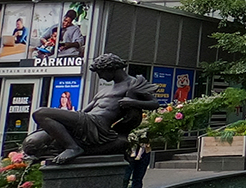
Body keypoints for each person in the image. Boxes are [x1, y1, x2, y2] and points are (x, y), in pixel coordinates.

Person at [21, 53, 158, 164]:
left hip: (97, 125)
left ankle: (73, 148)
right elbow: (83, 112)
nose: (100, 76)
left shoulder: (133, 84)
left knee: (40, 113)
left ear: (111, 69)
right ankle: (64, 147)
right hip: (86, 121)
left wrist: (132, 102)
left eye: (101, 72)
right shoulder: (104, 91)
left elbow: (154, 103)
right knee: (34, 142)